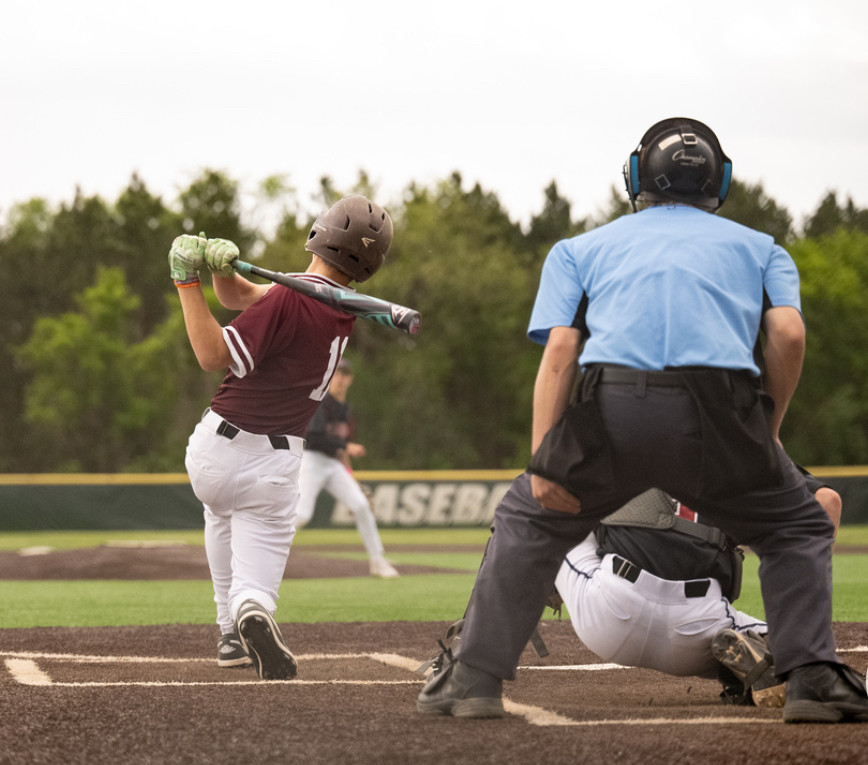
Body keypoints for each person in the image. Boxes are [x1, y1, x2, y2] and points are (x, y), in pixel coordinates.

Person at [417, 117, 868, 723]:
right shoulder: (764, 248)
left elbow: (561, 351)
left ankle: (473, 679)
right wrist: (767, 429)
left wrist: (543, 462)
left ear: (635, 178)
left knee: (527, 517)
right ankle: (812, 679)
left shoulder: (578, 249)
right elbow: (788, 334)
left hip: (615, 407)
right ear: (720, 182)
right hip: (721, 411)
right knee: (796, 526)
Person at [170, 195, 393, 679]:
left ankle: (229, 632)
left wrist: (186, 280)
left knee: (219, 513)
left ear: (320, 232)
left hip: (214, 452)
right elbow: (246, 297)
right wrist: (221, 272)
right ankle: (248, 607)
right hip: (275, 466)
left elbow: (211, 355)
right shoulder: (340, 310)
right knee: (255, 586)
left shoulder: (293, 297)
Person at [554, 474, 842, 708]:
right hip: (699, 629)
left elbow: (545, 489)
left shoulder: (623, 432)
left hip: (609, 613)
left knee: (555, 502)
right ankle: (765, 662)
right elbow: (828, 502)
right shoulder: (744, 448)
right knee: (789, 647)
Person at [296, 357, 399, 578]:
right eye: (336, 374)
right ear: (329, 377)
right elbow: (313, 437)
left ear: (350, 379)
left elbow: (341, 449)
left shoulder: (346, 409)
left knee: (361, 506)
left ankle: (378, 561)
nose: (340, 379)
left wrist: (351, 477)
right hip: (312, 460)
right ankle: (262, 552)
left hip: (333, 464)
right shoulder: (321, 402)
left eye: (344, 375)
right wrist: (346, 446)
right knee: (301, 515)